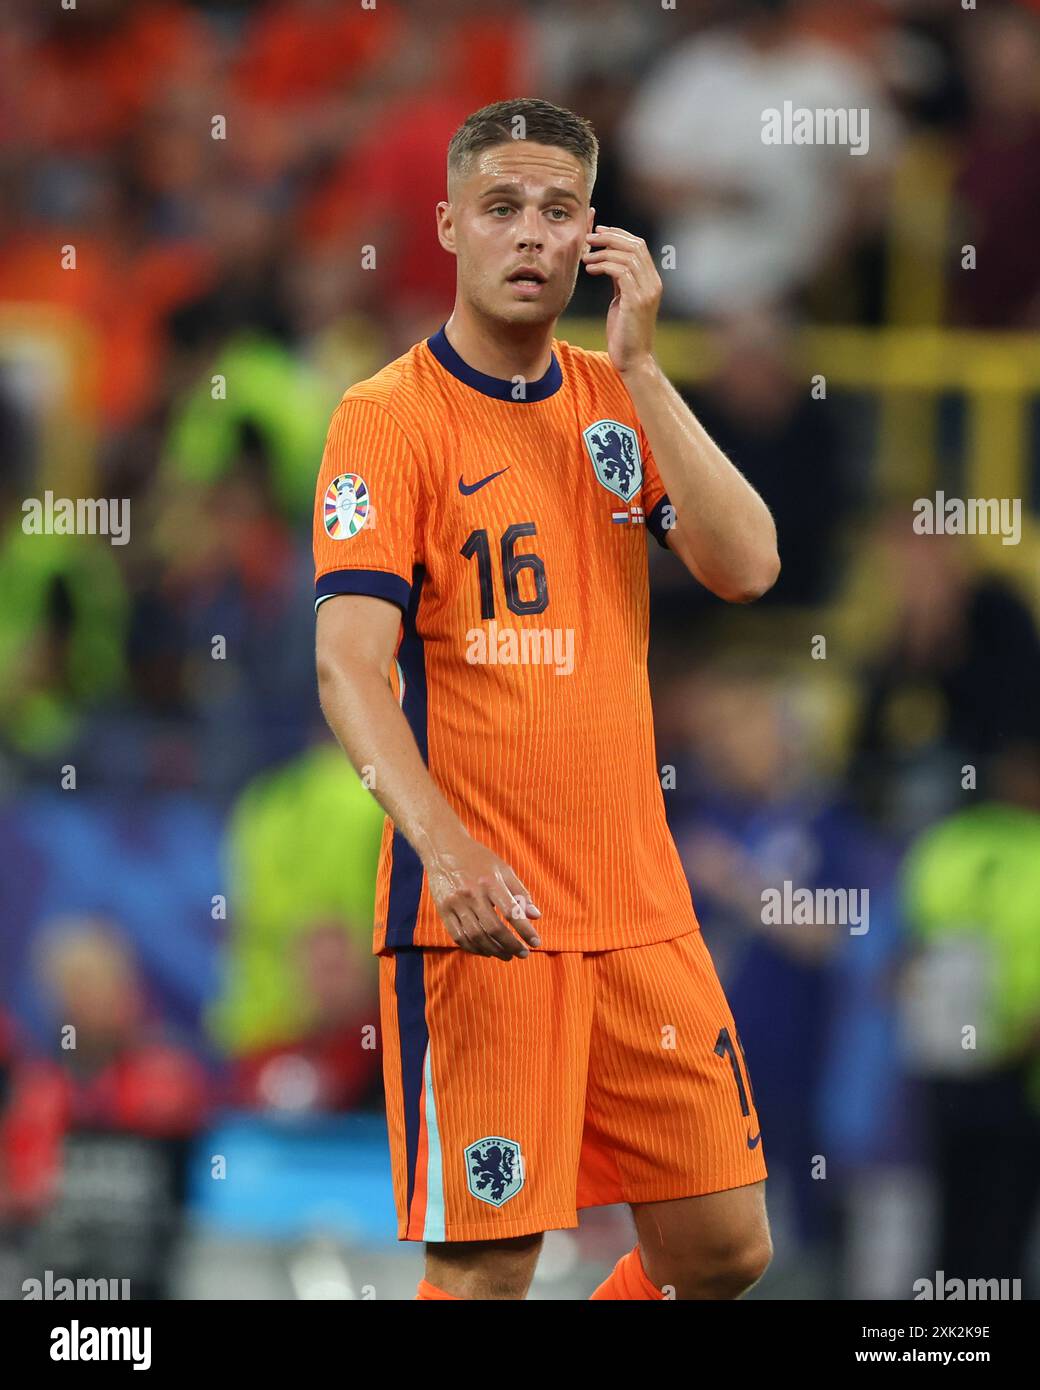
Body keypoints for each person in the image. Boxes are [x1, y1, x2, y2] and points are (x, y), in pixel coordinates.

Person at [312, 98, 779, 1301]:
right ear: (450, 226)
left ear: (590, 237)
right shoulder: (386, 419)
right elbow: (348, 666)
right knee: (486, 1270)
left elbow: (747, 565)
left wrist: (644, 370)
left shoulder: (613, 398)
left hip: (638, 908)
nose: (532, 234)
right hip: (486, 913)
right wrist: (446, 848)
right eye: (504, 208)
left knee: (722, 1253)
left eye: (559, 211)